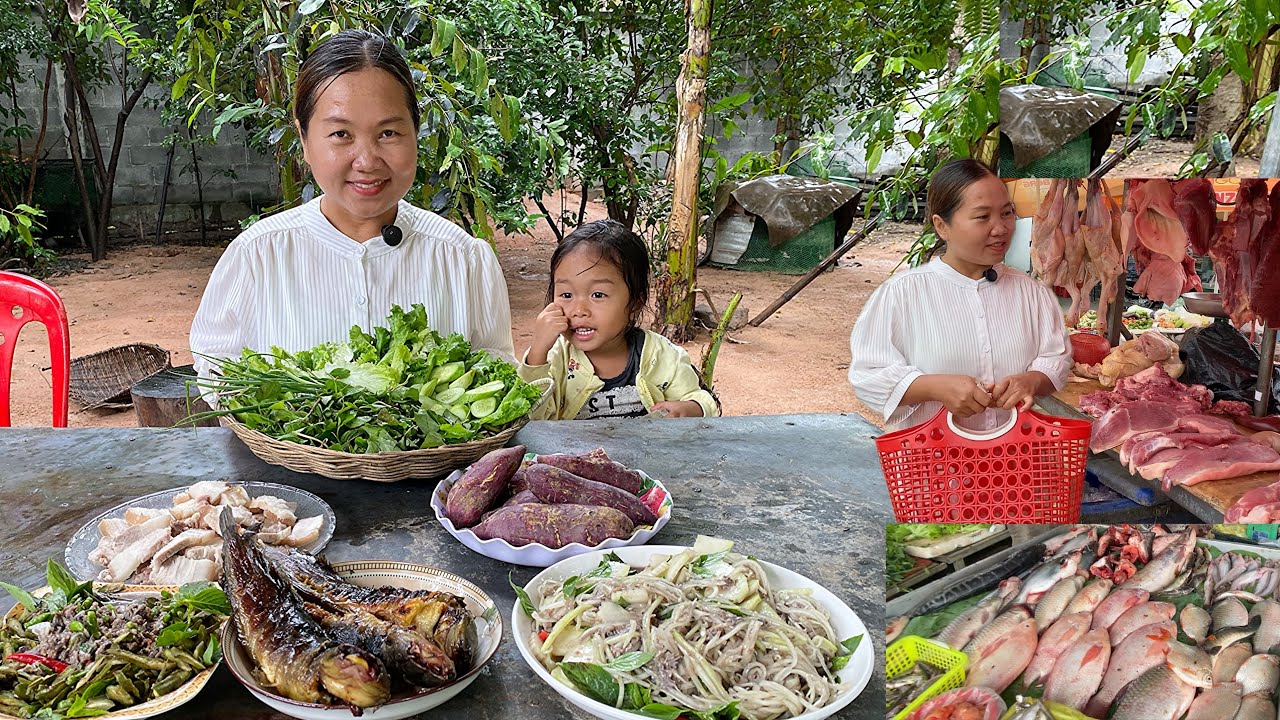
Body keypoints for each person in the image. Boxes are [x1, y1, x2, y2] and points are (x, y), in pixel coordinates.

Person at [190, 30, 513, 378]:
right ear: (304, 140)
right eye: (341, 134)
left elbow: (495, 372)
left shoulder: (463, 260)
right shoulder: (258, 256)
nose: (367, 161)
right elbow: (216, 366)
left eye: (388, 133)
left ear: (415, 132)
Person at [848, 159, 1071, 433]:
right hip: (931, 455)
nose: (1001, 228)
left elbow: (1055, 358)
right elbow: (868, 376)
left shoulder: (1031, 293)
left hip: (1013, 455)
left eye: (1006, 213)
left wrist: (1031, 380)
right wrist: (934, 387)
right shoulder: (901, 294)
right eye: (982, 217)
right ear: (942, 226)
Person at [519, 219, 720, 420]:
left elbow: (700, 399)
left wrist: (690, 408)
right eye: (566, 295)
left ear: (635, 303)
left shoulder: (661, 356)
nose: (579, 311)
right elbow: (529, 417)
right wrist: (537, 354)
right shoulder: (555, 358)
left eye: (598, 295)